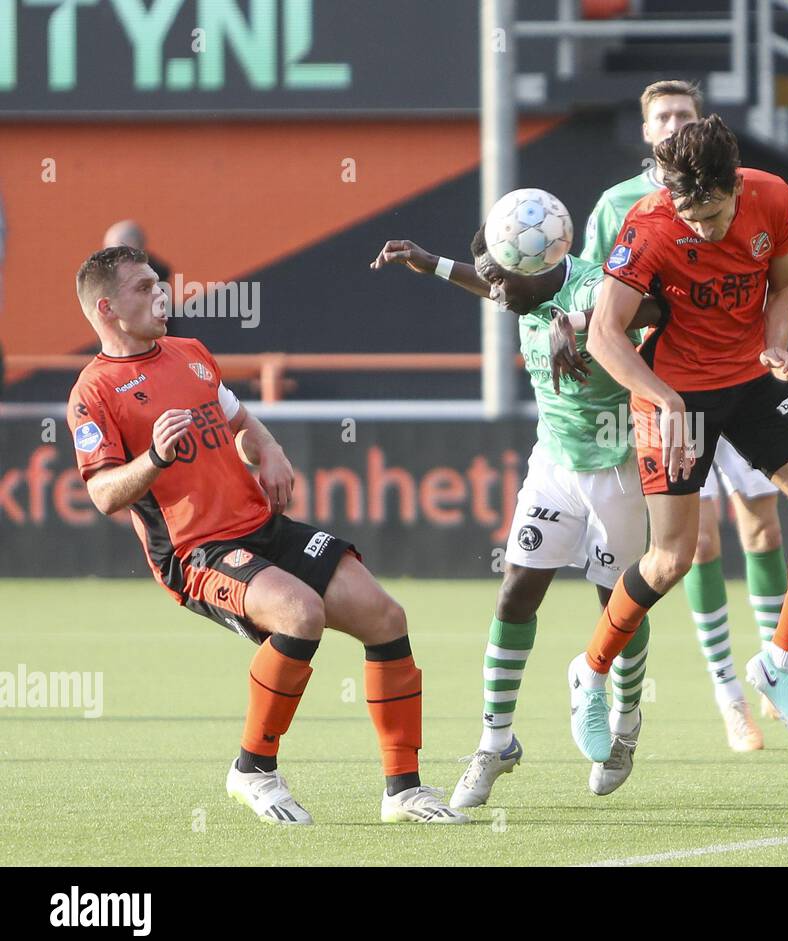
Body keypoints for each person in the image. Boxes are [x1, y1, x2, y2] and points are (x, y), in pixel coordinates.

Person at [67, 245, 466, 825]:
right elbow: (104, 493)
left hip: (261, 526)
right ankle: (253, 770)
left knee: (386, 616)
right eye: (143, 287)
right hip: (196, 551)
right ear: (106, 308)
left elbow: (238, 419)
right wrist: (154, 455)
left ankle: (403, 791)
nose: (161, 294)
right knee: (300, 614)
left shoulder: (191, 353)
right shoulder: (93, 392)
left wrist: (270, 450)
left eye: (160, 281)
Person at [578, 115, 788, 754]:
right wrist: (664, 398)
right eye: (692, 217)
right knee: (672, 558)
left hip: (751, 378)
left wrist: (777, 346)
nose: (703, 229)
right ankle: (589, 674)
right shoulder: (649, 227)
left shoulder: (775, 198)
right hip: (676, 391)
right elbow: (603, 335)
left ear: (737, 186)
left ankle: (781, 662)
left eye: (714, 213)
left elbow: (787, 285)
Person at [371, 218, 662, 802]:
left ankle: (627, 721)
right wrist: (432, 263)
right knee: (515, 591)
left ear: (534, 272)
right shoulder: (522, 289)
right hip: (553, 466)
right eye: (490, 281)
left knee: (618, 608)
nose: (495, 293)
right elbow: (495, 286)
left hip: (618, 469)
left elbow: (656, 310)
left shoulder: (586, 289)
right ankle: (495, 741)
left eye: (501, 281)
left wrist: (582, 324)